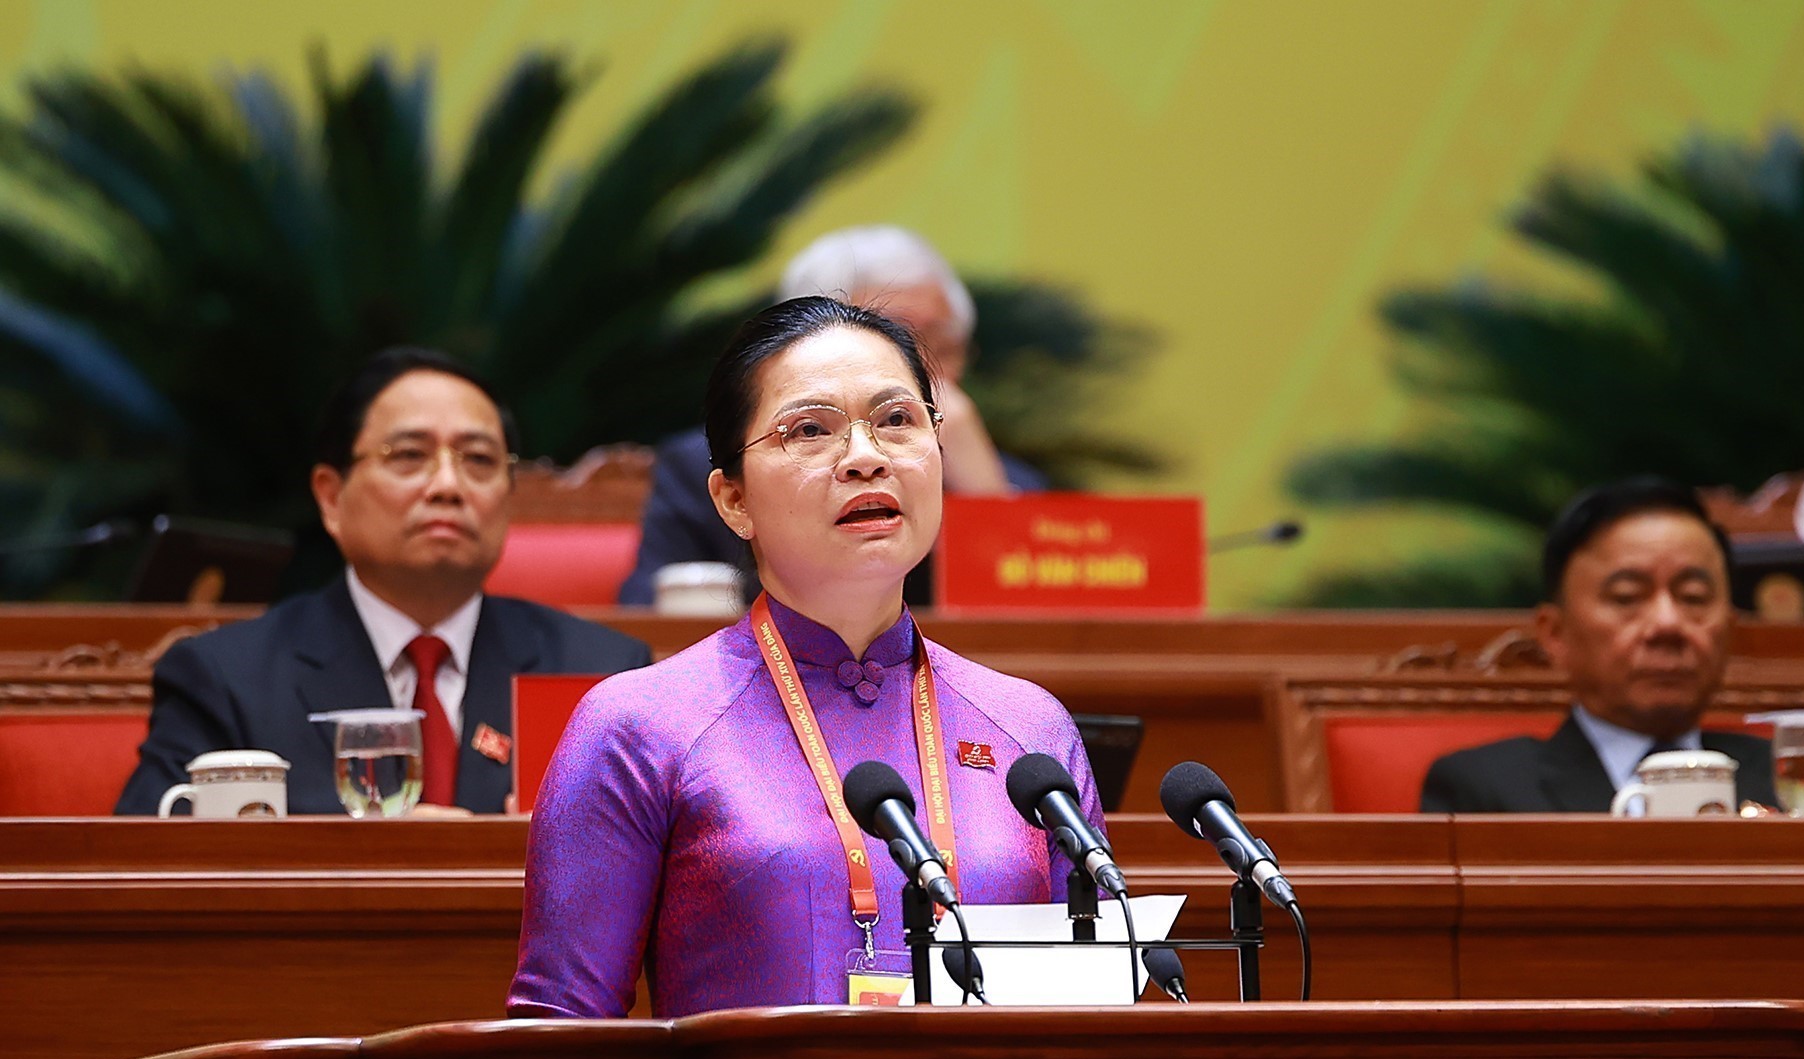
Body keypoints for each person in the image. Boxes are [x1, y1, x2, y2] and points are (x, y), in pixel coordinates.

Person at [510, 297, 1104, 1018]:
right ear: (733, 500)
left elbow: (1097, 1011)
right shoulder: (639, 725)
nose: (866, 457)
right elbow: (560, 1032)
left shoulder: (1029, 725)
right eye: (811, 430)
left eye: (897, 419)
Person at [116, 348, 652, 815]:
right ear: (331, 497)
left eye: (479, 460)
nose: (448, 486)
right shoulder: (227, 680)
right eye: (410, 456)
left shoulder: (603, 676)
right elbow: (145, 867)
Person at [617, 225, 1046, 605]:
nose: (918, 371)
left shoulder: (1019, 486)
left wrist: (988, 504)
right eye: (883, 340)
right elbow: (646, 627)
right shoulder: (714, 466)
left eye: (942, 347)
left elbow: (1053, 644)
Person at [1420, 477, 1775, 812]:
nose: (1667, 624)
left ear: (1729, 628)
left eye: (1693, 597)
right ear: (1556, 634)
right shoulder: (1483, 791)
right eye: (1627, 597)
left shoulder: (1786, 780)